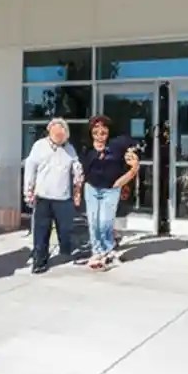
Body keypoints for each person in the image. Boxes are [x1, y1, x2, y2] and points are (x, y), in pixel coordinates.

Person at [80, 115, 140, 271]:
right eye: (96, 132)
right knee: (93, 222)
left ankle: (108, 250)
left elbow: (137, 145)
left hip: (111, 188)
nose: (100, 135)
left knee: (105, 221)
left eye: (103, 132)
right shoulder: (87, 147)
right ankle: (96, 251)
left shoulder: (117, 144)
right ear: (91, 133)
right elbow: (83, 169)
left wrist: (132, 158)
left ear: (108, 132)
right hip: (92, 187)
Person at [24, 118, 83, 274]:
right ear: (49, 131)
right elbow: (30, 169)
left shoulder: (70, 149)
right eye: (55, 132)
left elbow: (77, 170)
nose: (59, 135)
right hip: (42, 196)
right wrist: (28, 192)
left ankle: (66, 250)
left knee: (65, 228)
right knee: (41, 231)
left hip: (63, 197)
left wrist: (77, 191)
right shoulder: (39, 146)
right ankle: (39, 260)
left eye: (62, 133)